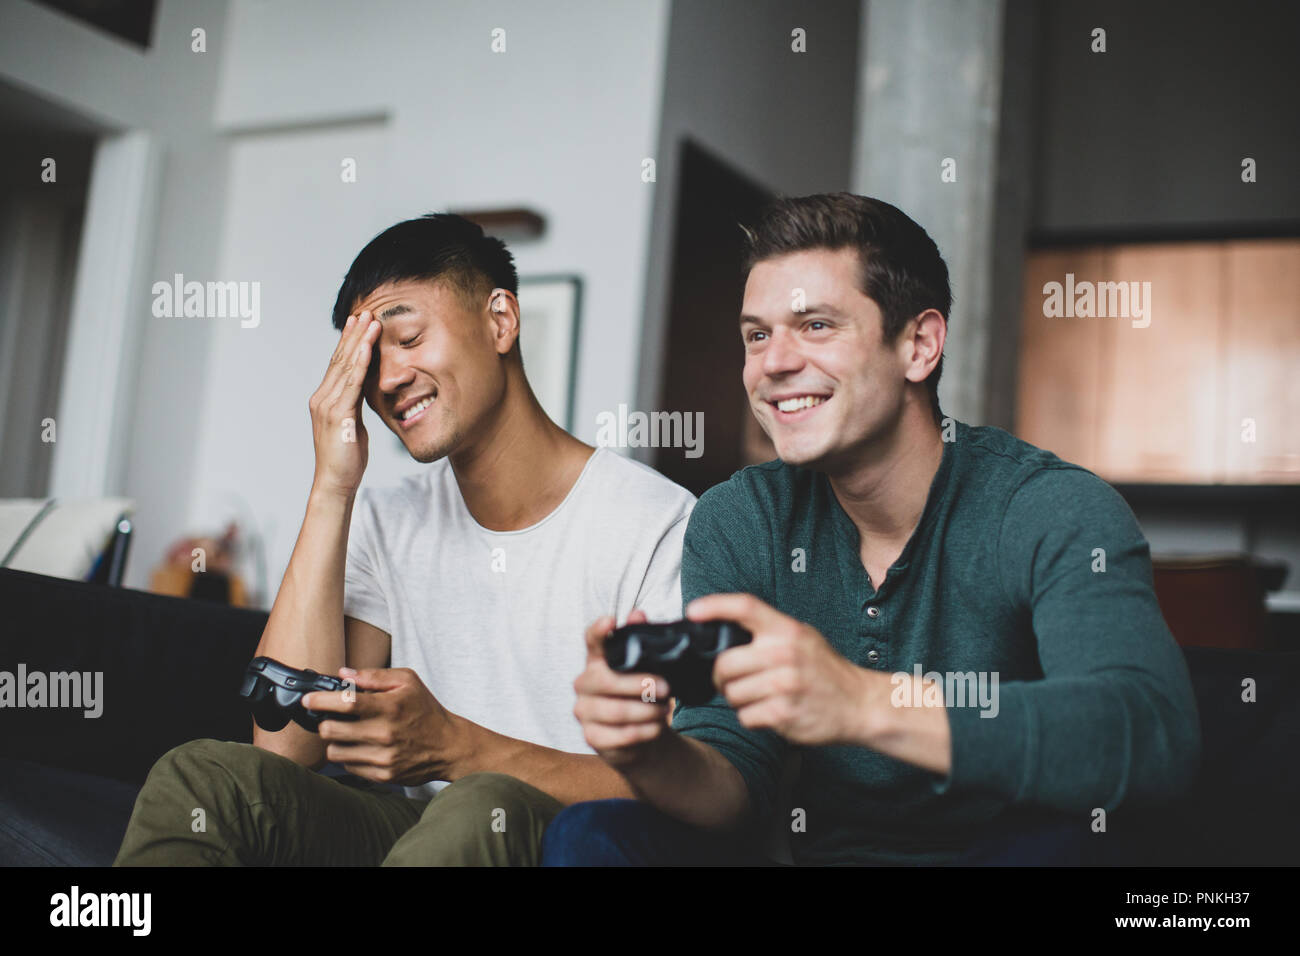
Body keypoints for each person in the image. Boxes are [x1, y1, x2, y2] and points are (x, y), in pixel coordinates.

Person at [546, 193, 1201, 866]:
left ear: (918, 346)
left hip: (1012, 855)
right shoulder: (741, 517)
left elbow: (1149, 735)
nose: (772, 363)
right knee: (590, 835)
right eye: (757, 334)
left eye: (816, 325)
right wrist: (651, 753)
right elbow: (733, 776)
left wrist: (862, 702)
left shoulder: (1052, 509)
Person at [115, 214, 694, 866]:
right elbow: (286, 752)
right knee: (202, 775)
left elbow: (685, 791)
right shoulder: (389, 519)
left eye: (409, 337)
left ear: (501, 321)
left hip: (548, 830)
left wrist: (461, 747)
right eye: (369, 364)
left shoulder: (655, 523)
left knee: (476, 806)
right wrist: (332, 490)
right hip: (406, 825)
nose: (387, 382)